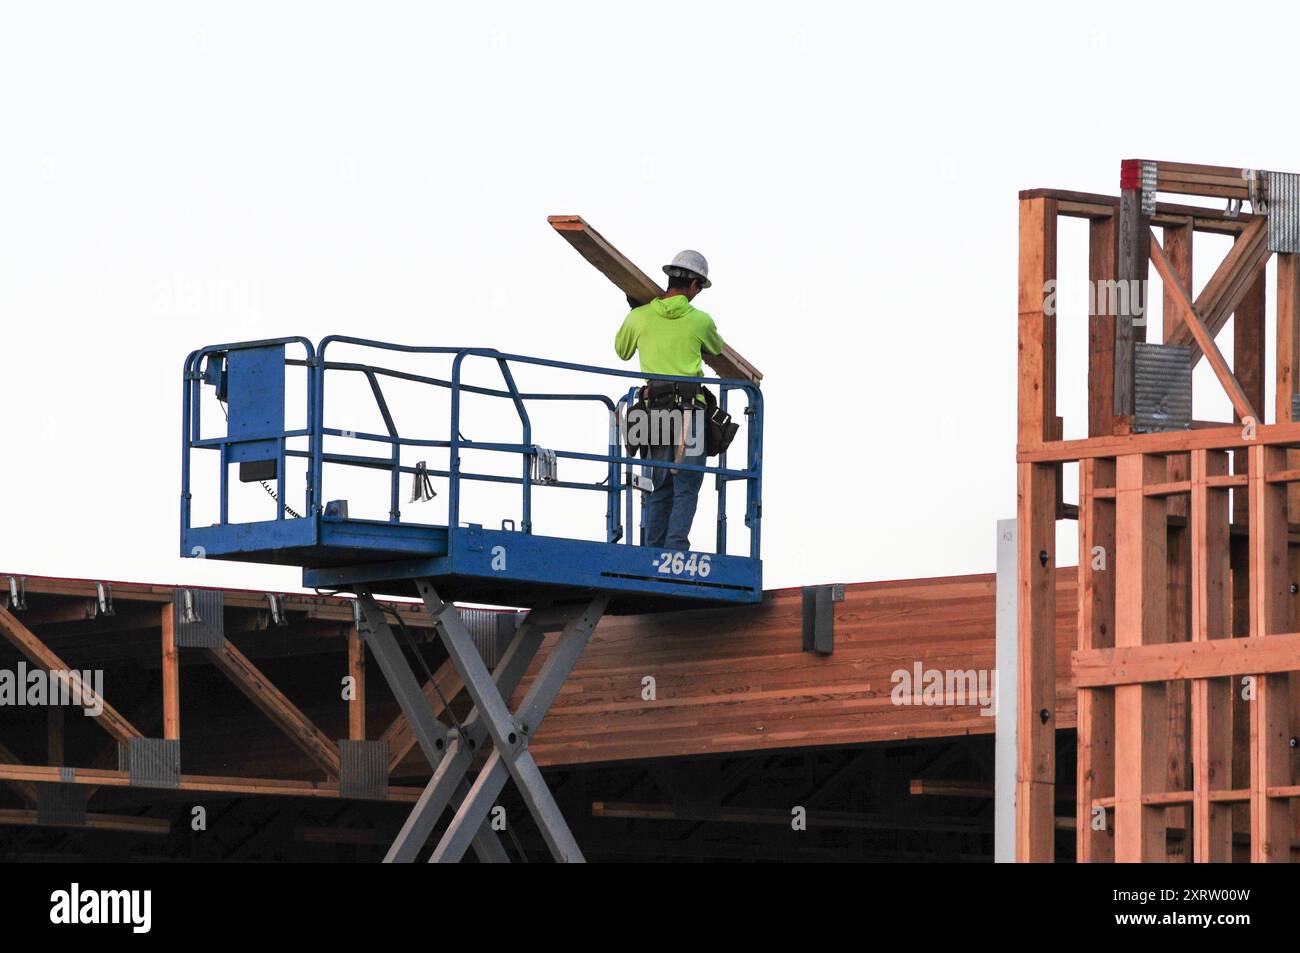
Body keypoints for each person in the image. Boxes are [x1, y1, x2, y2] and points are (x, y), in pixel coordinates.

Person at [614, 250, 725, 551]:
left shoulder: (639, 317)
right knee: (686, 486)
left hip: (653, 413)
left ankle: (654, 550)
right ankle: (675, 549)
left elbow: (622, 351)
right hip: (689, 414)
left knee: (659, 486)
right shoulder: (699, 321)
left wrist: (636, 313)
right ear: (693, 285)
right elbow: (716, 349)